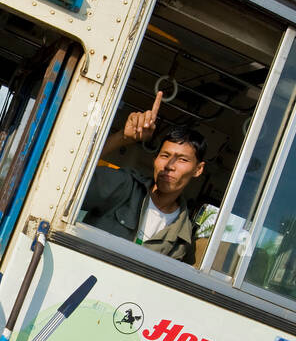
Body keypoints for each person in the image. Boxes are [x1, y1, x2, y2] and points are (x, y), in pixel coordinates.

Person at [80, 89, 207, 265]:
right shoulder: (125, 187)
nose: (169, 166)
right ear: (155, 159)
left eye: (182, 159)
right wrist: (122, 138)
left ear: (198, 170)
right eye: (164, 156)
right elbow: (71, 177)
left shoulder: (182, 238)